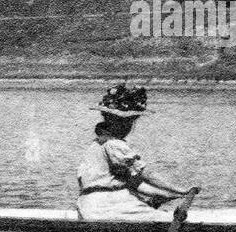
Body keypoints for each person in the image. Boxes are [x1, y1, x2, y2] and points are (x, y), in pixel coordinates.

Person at [76, 83, 199, 220]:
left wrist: (167, 195)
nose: (128, 127)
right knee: (167, 219)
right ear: (117, 122)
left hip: (89, 205)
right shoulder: (115, 145)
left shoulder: (97, 144)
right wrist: (179, 189)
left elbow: (135, 183)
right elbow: (144, 174)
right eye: (127, 122)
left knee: (161, 214)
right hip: (107, 205)